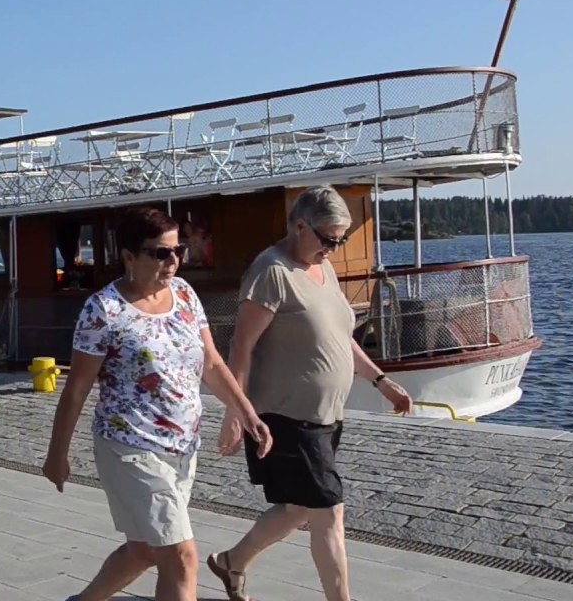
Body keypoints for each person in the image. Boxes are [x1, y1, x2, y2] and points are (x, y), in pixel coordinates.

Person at [42, 206, 272, 601]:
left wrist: (246, 413)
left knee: (147, 549)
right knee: (182, 557)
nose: (173, 260)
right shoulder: (104, 310)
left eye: (177, 249)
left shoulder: (184, 294)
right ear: (129, 255)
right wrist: (57, 454)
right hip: (129, 446)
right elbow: (77, 387)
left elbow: (212, 363)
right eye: (160, 252)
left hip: (182, 448)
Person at [209, 185, 413, 601]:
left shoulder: (323, 269)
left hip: (324, 418)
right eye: (327, 240)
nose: (334, 250)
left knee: (299, 507)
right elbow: (241, 346)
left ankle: (231, 562)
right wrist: (235, 413)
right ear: (300, 226)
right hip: (284, 417)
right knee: (329, 513)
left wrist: (380, 380)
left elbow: (341, 337)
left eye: (341, 241)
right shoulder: (272, 272)